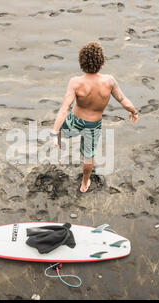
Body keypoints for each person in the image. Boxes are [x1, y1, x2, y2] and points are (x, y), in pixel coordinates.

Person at [51, 42, 138, 192]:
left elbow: (65, 108)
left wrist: (54, 131)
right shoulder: (109, 81)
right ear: (101, 62)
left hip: (75, 121)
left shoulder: (75, 82)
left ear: (81, 62)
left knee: (62, 131)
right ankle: (85, 183)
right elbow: (123, 100)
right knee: (88, 157)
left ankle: (58, 139)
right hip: (92, 126)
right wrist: (133, 111)